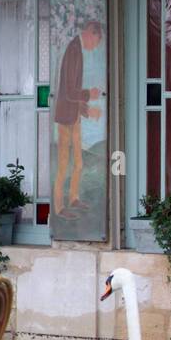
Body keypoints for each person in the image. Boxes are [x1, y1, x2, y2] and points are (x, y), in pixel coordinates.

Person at [53, 20, 104, 220]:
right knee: (64, 163)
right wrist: (88, 95)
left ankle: (73, 197)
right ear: (90, 33)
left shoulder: (77, 49)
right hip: (66, 118)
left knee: (79, 163)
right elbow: (69, 91)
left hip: (73, 117)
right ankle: (58, 207)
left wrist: (87, 111)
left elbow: (71, 95)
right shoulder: (74, 50)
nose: (95, 47)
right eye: (96, 42)